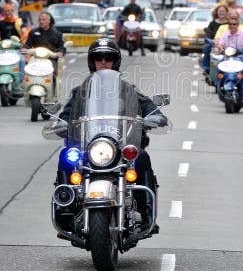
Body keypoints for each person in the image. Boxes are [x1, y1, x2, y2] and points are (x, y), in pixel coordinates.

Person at [56, 38, 165, 232]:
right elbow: (66, 116)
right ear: (92, 61)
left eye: (108, 58)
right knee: (66, 156)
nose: (104, 62)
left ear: (116, 62)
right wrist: (60, 123)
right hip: (88, 147)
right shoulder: (81, 92)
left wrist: (154, 117)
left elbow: (150, 109)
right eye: (99, 58)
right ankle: (64, 206)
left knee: (141, 157)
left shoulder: (127, 89)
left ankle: (147, 211)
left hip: (120, 149)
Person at [213, 12, 243, 100]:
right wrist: (218, 48)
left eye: (234, 24)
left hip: (241, 57)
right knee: (218, 66)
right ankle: (219, 86)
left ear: (238, 25)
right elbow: (220, 44)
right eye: (230, 24)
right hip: (228, 58)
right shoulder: (225, 34)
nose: (232, 26)